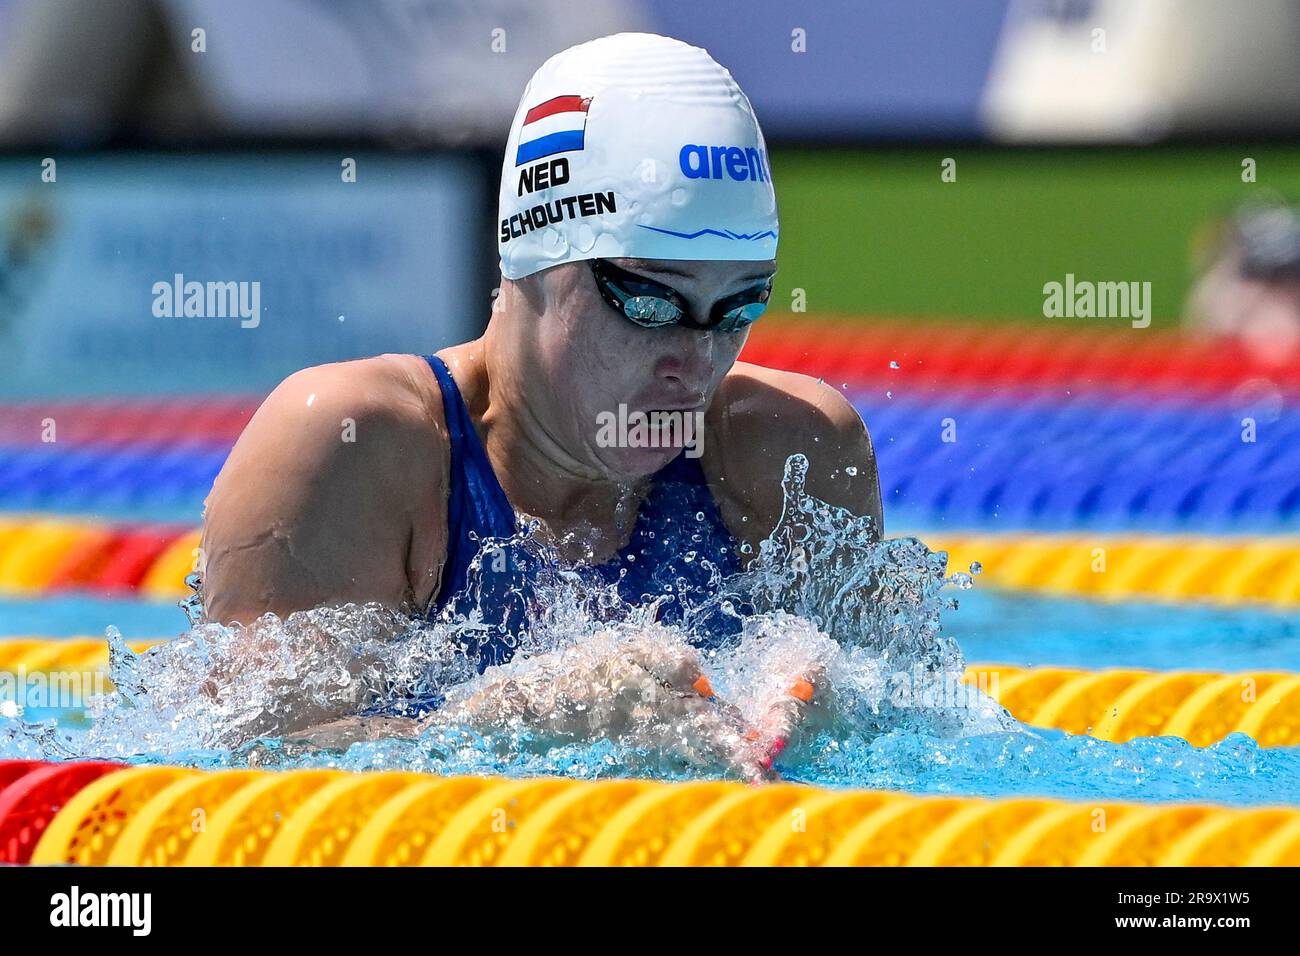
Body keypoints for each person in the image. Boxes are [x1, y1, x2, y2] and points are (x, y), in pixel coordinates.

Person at [199, 33, 883, 777]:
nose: (696, 362)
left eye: (738, 307)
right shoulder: (355, 447)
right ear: (535, 258)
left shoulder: (790, 454)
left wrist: (838, 702)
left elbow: (907, 732)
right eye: (652, 303)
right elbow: (243, 775)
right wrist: (522, 718)